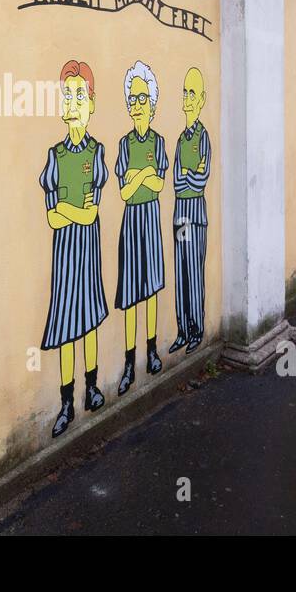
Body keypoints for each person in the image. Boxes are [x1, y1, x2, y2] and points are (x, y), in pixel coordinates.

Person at [39, 59, 109, 438]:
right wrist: (71, 211)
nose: (72, 101)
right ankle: (66, 401)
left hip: (87, 249)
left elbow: (91, 213)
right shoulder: (55, 156)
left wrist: (67, 211)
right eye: (67, 94)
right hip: (64, 253)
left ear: (91, 103)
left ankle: (92, 386)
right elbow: (54, 219)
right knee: (67, 324)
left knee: (90, 318)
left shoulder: (96, 153)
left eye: (79, 94)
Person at [114, 60, 168, 395]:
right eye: (132, 99)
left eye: (141, 99)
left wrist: (143, 176)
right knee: (132, 293)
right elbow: (123, 190)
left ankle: (151, 352)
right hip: (131, 220)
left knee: (150, 290)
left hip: (150, 217)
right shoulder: (124, 144)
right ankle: (129, 362)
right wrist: (142, 178)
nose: (136, 105)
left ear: (152, 104)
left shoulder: (158, 142)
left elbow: (159, 183)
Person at [170, 67, 211, 355]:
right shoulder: (181, 140)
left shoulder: (202, 137)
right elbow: (176, 181)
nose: (187, 98)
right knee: (181, 271)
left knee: (194, 273)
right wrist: (187, 173)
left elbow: (201, 178)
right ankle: (183, 330)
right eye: (185, 92)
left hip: (195, 213)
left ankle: (197, 329)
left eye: (192, 93)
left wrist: (189, 175)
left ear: (201, 99)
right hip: (181, 214)